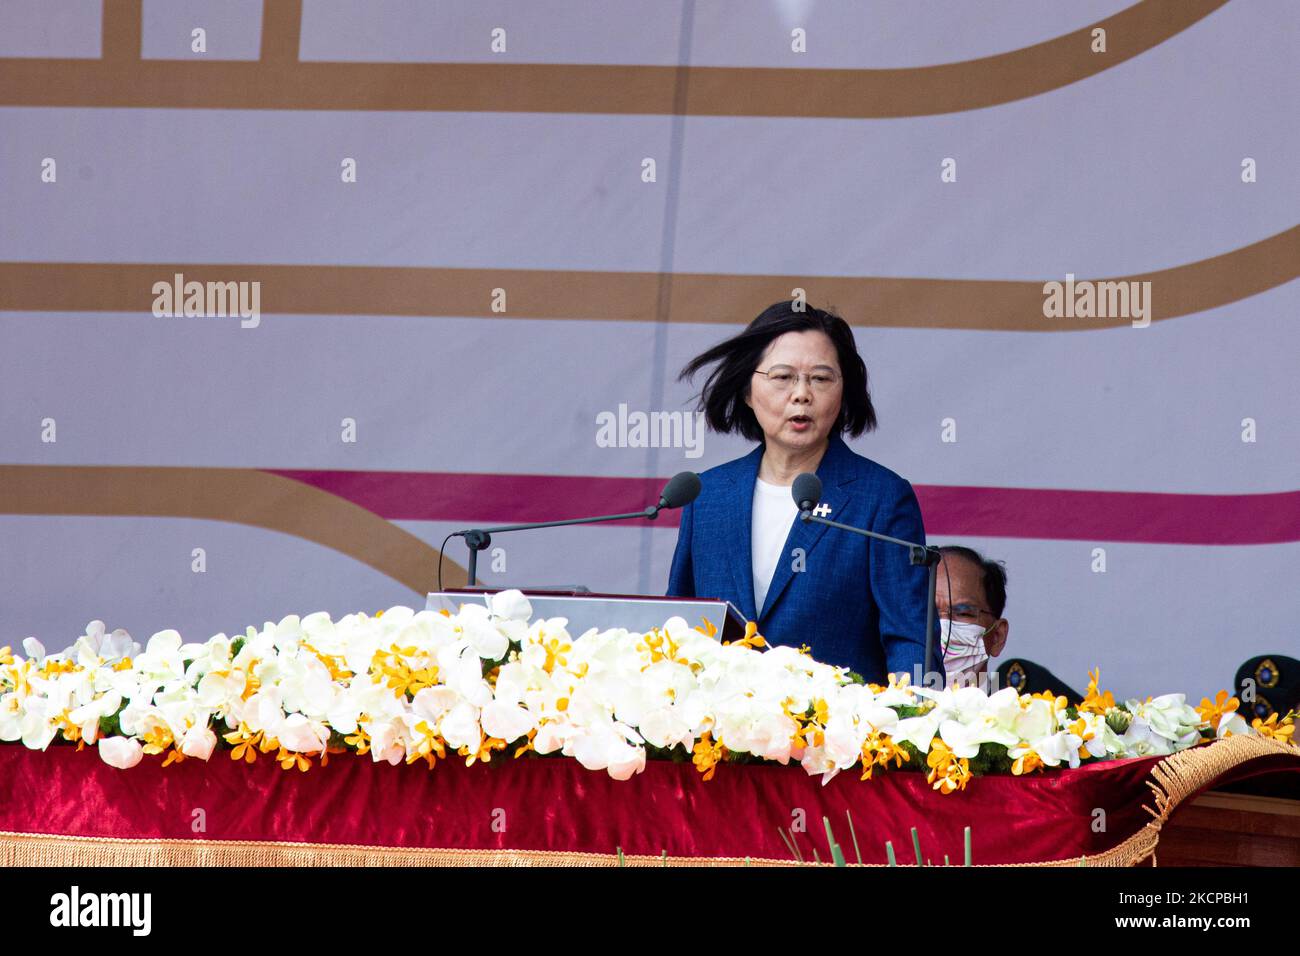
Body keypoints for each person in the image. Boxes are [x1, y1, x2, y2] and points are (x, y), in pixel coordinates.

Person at [667, 300, 941, 684]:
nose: (801, 394)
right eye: (782, 377)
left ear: (843, 392)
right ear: (747, 390)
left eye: (821, 378)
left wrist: (909, 721)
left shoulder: (880, 499)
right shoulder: (708, 496)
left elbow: (911, 642)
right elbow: (679, 632)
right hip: (718, 739)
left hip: (835, 738)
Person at [935, 546, 1009, 688]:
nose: (943, 628)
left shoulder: (1019, 710)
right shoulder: (883, 709)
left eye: (963, 613)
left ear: (997, 637)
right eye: (929, 613)